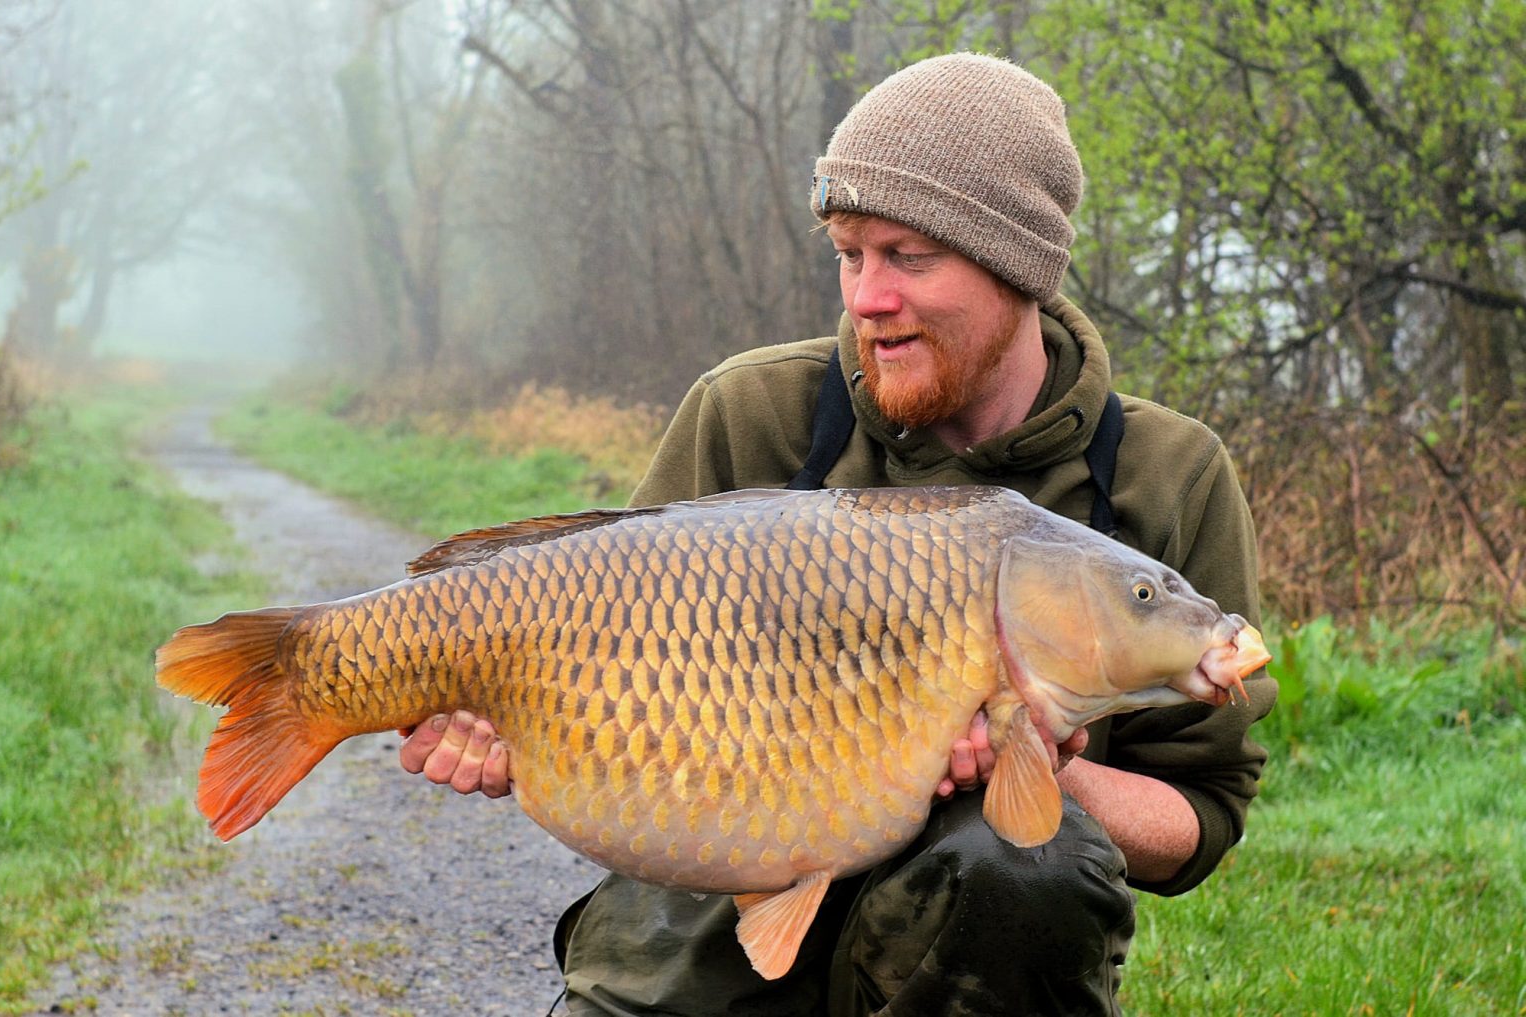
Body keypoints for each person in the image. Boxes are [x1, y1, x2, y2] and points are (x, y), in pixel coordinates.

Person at [400, 52, 1277, 1016]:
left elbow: (1202, 815)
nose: (866, 298)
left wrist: (1052, 769)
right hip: (709, 893)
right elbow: (595, 637)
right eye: (850, 254)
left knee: (1025, 858)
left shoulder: (1167, 475)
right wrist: (499, 718)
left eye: (908, 256)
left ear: (1014, 264)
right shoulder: (750, 411)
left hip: (966, 936)